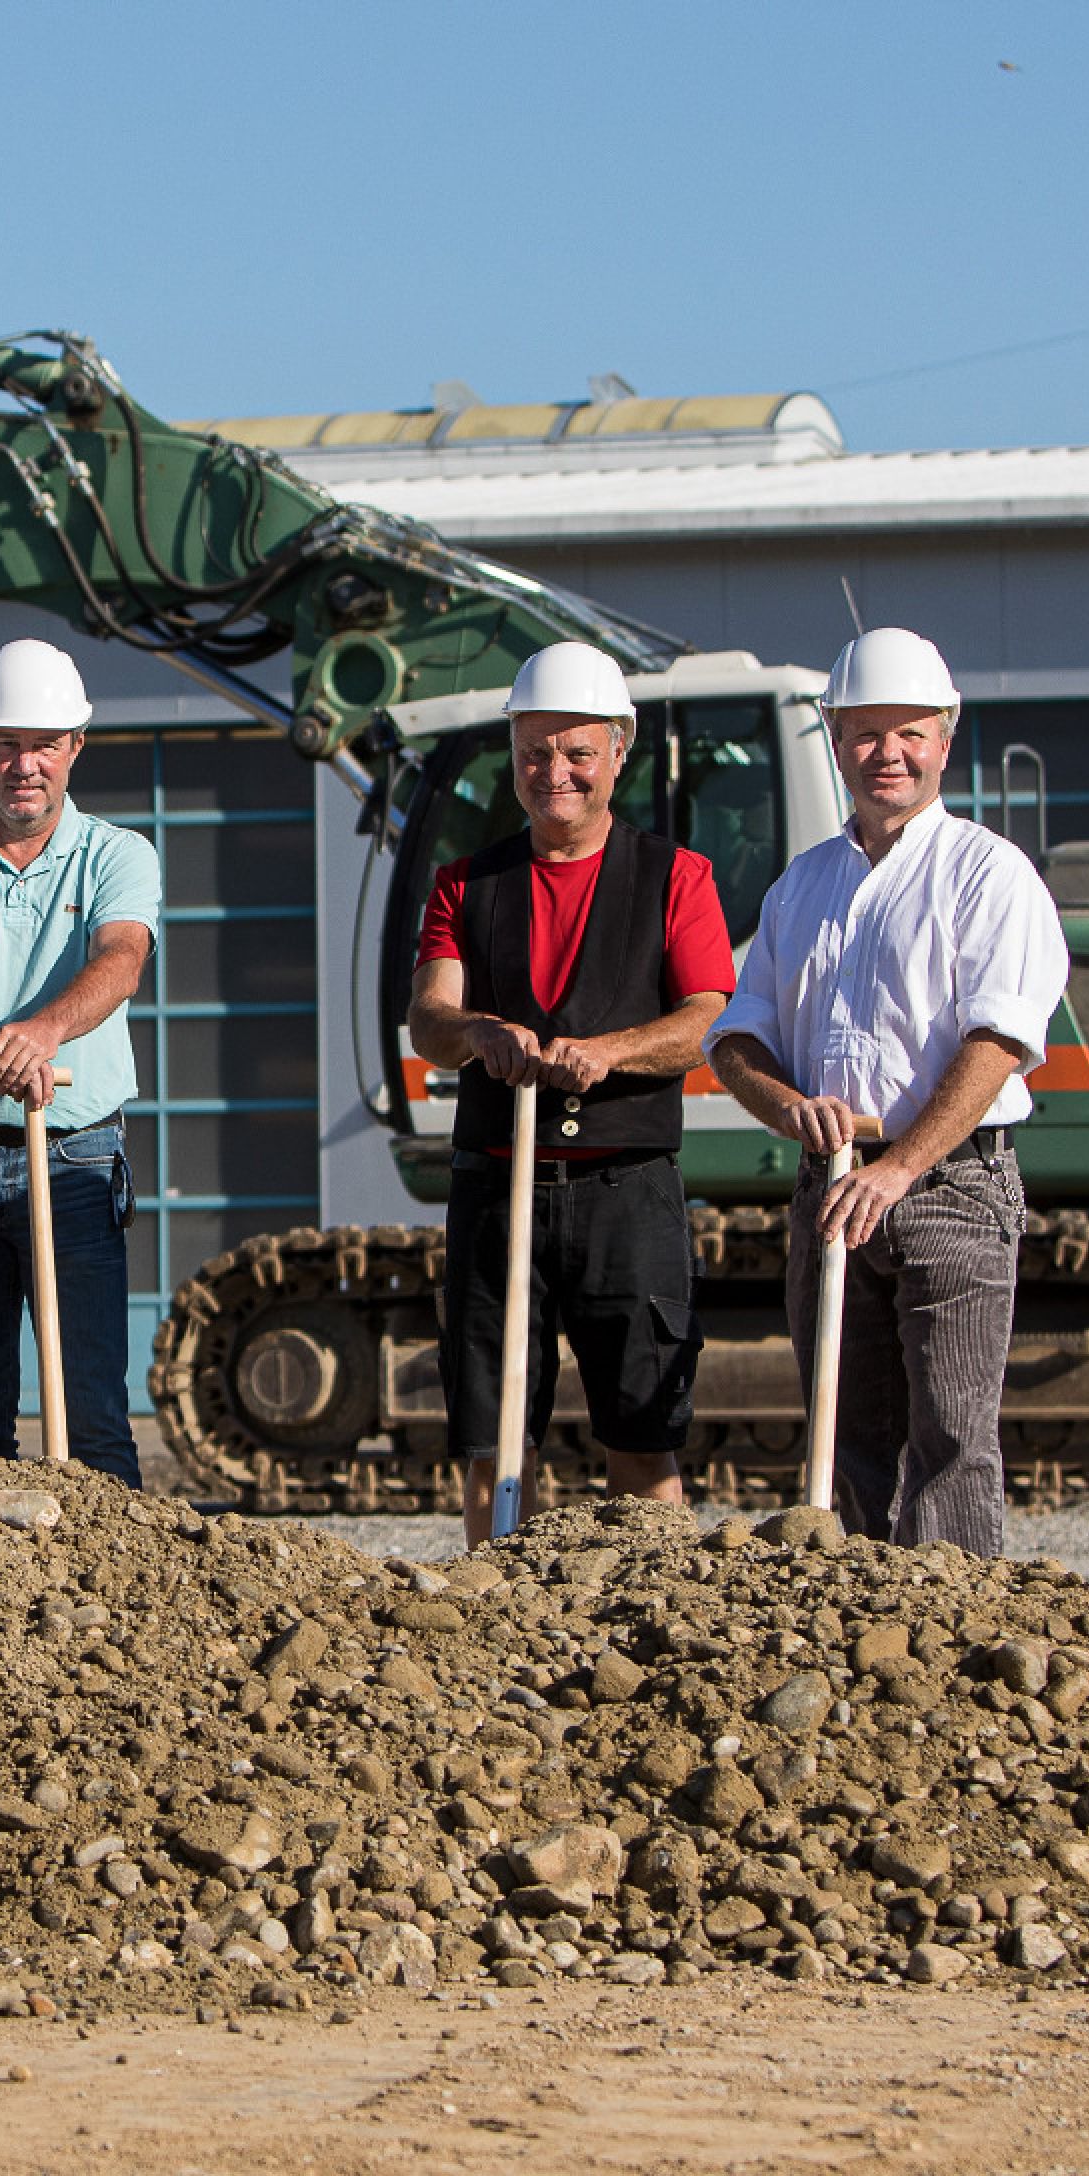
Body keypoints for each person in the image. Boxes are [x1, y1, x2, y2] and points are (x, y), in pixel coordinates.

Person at [706, 628, 1067, 1556]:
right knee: (845, 1439)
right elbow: (737, 1037)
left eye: (909, 733)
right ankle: (865, 1650)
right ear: (834, 741)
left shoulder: (989, 875)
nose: (888, 755)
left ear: (946, 738)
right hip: (828, 1184)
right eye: (866, 734)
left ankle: (951, 1651)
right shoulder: (801, 886)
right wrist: (786, 1106)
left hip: (949, 1187)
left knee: (950, 1440)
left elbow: (997, 1043)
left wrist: (900, 1166)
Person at [408, 644, 736, 1543]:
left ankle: (655, 1615)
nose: (555, 773)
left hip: (625, 1189)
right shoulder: (464, 886)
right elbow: (429, 1016)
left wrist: (611, 1051)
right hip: (495, 1185)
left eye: (577, 752)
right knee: (493, 1437)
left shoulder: (679, 878)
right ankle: (492, 1616)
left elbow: (704, 1019)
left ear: (618, 752)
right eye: (534, 753)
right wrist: (478, 1033)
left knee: (642, 1428)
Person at [0, 639, 161, 1484]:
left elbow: (121, 958)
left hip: (77, 1159)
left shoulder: (119, 854)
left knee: (94, 1430)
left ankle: (117, 1606)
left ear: (75, 747)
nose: (24, 764)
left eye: (44, 744)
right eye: (5, 743)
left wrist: (39, 1034)